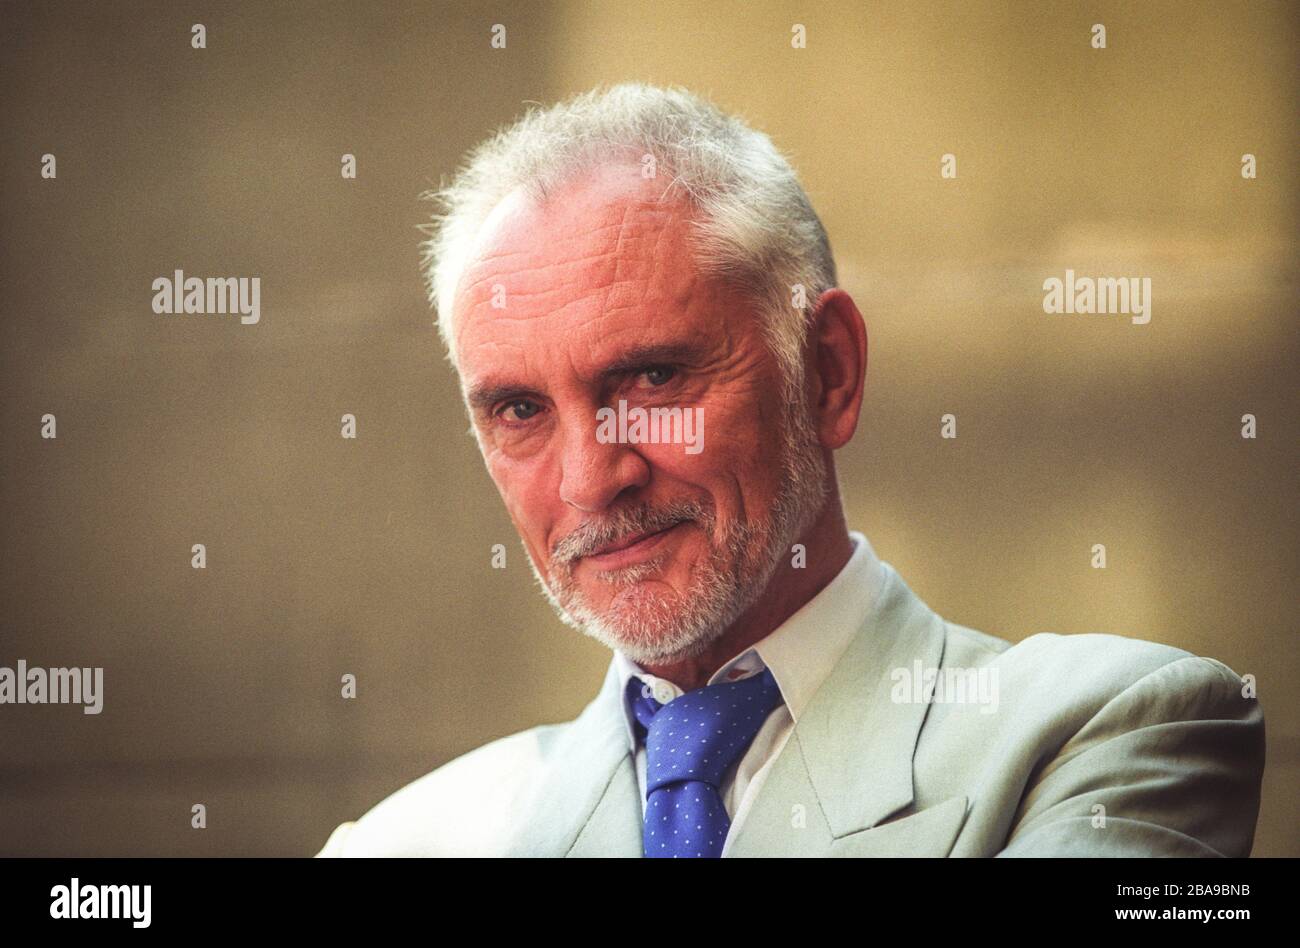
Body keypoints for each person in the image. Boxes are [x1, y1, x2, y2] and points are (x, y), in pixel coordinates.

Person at [316, 83, 1263, 857]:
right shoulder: (400, 842)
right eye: (520, 410)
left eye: (653, 377)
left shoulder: (1112, 733)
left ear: (829, 374)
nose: (588, 482)